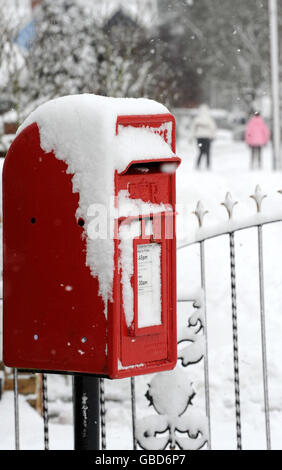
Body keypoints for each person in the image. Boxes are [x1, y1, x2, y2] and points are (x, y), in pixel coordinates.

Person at [190, 104, 217, 170]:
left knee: (200, 152)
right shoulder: (209, 119)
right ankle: (208, 166)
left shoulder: (197, 119)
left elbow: (193, 129)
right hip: (207, 138)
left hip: (199, 138)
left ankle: (198, 165)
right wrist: (213, 136)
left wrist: (191, 137)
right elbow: (213, 128)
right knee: (208, 152)